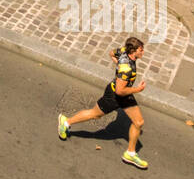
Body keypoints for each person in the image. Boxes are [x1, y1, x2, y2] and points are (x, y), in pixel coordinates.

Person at [58, 37, 149, 170]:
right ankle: (65, 122)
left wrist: (117, 64)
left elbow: (111, 53)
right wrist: (137, 89)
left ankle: (130, 153)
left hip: (125, 95)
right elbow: (119, 90)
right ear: (133, 51)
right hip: (114, 96)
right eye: (141, 50)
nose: (143, 52)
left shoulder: (123, 51)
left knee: (139, 122)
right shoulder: (126, 69)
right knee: (95, 114)